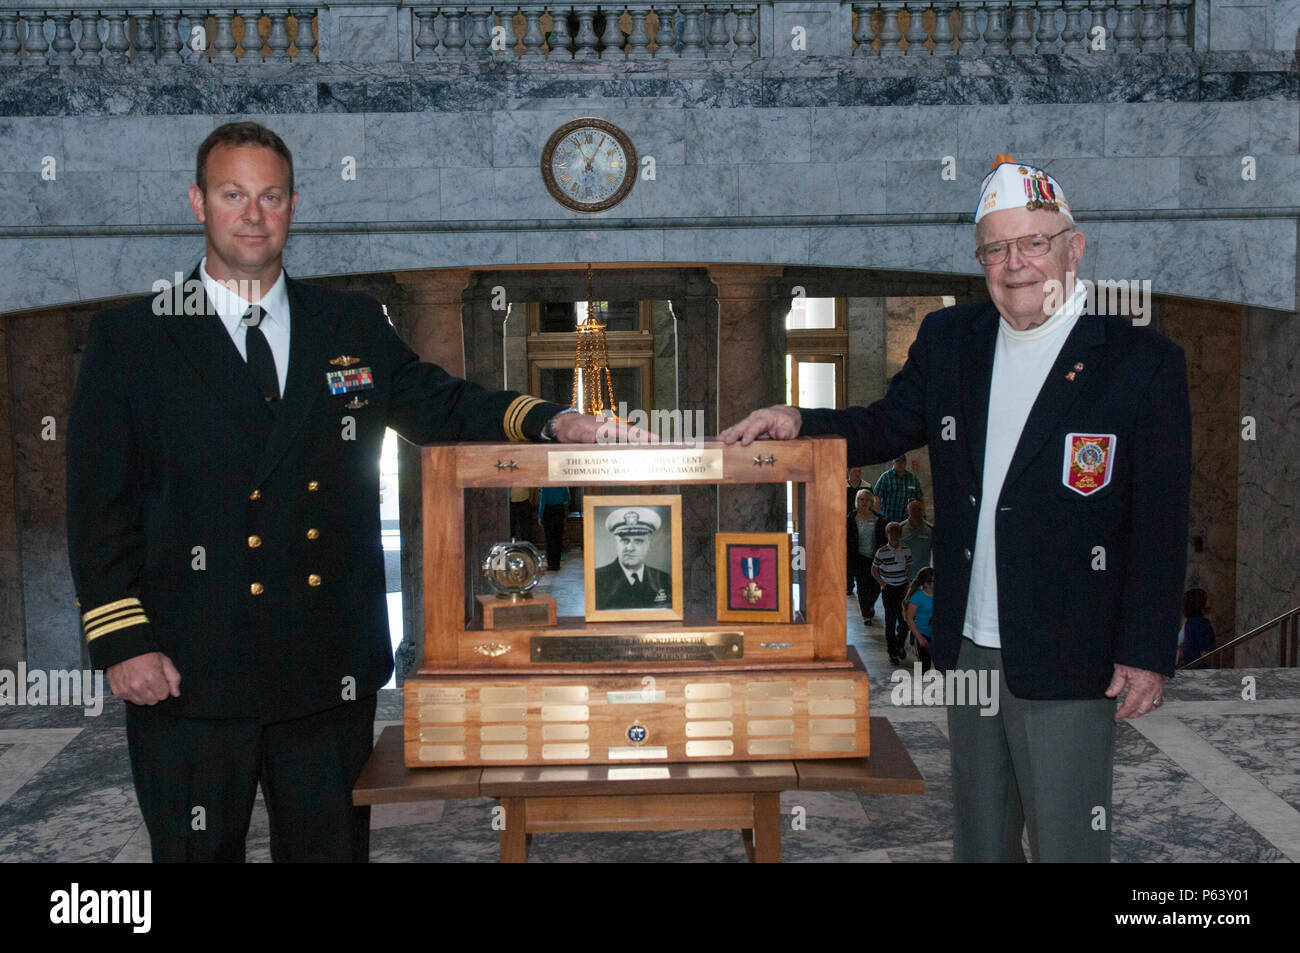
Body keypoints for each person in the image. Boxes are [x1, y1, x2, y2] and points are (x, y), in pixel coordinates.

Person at [65, 121, 634, 863]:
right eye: (233, 193)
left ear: (293, 206)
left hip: (323, 668)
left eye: (270, 195)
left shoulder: (351, 324)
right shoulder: (133, 338)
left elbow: (440, 403)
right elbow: (96, 505)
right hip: (190, 673)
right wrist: (122, 640)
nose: (253, 213)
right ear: (198, 204)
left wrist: (554, 419)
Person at [721, 155, 1192, 862]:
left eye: (1033, 242)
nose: (1015, 263)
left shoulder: (1139, 361)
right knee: (980, 840)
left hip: (1072, 650)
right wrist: (798, 418)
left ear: (1074, 246)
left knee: (1069, 843)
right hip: (970, 645)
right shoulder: (952, 342)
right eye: (996, 247)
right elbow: (886, 424)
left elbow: (1160, 517)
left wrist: (1147, 651)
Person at [593, 507, 672, 609]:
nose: (630, 548)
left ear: (649, 545)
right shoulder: (597, 578)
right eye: (625, 541)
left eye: (638, 541)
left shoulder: (663, 579)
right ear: (616, 544)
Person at [871, 521, 913, 666]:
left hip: (902, 587)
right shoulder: (882, 552)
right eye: (892, 535)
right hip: (889, 588)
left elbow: (908, 566)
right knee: (890, 620)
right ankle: (892, 652)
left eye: (897, 535)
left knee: (905, 620)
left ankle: (899, 644)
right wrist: (882, 583)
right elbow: (874, 569)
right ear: (887, 535)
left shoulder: (906, 549)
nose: (894, 538)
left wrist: (908, 582)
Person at [869, 454, 924, 555]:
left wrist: (922, 516)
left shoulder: (912, 479)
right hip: (888, 521)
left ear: (905, 463)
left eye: (902, 462)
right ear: (893, 463)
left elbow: (920, 498)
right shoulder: (885, 478)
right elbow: (877, 498)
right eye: (898, 462)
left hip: (907, 522)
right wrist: (878, 517)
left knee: (906, 549)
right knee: (888, 549)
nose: (900, 464)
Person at [853, 488, 880, 624]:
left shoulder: (878, 519)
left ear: (871, 502)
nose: (863, 502)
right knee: (862, 587)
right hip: (859, 558)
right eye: (860, 499)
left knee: (875, 587)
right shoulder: (851, 519)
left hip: (875, 558)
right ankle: (866, 614)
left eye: (866, 500)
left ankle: (870, 605)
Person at [905, 567, 936, 671]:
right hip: (922, 633)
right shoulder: (917, 597)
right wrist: (919, 637)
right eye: (934, 581)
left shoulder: (941, 595)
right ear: (926, 584)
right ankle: (921, 684)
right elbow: (909, 618)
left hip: (936, 634)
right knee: (924, 664)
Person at [1178, 588, 1216, 668]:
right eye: (1206, 597)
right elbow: (1204, 652)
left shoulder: (1189, 622)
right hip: (1199, 665)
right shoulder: (1202, 623)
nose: (1209, 599)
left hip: (1190, 664)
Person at [538, 485, 570, 570]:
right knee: (558, 538)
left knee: (549, 539)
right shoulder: (562, 485)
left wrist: (540, 515)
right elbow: (567, 498)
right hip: (559, 510)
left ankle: (551, 564)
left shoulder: (545, 486)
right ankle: (557, 564)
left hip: (548, 511)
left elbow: (543, 501)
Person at [900, 498, 933, 569]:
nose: (916, 512)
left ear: (923, 511)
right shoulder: (899, 529)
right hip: (903, 574)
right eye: (913, 509)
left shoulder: (931, 529)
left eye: (919, 509)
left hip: (924, 575)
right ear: (907, 511)